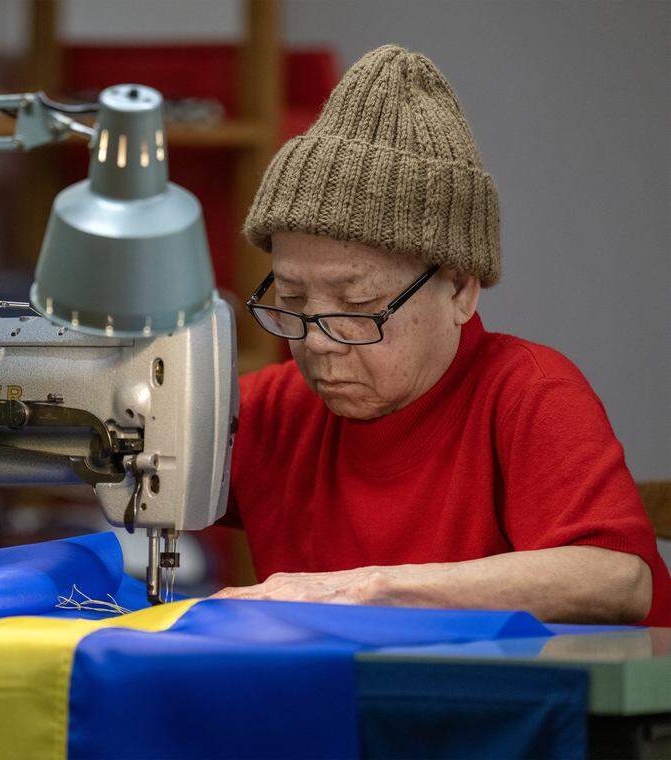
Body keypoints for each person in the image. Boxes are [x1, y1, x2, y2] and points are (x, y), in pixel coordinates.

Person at [211, 45, 669, 625]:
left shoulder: (528, 393)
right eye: (292, 300)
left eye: (357, 306)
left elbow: (618, 578)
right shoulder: (276, 413)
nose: (318, 342)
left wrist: (368, 590)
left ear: (458, 289)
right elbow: (129, 462)